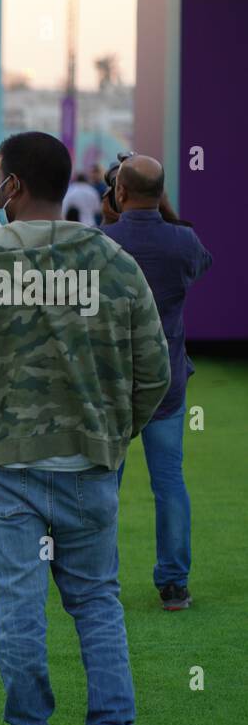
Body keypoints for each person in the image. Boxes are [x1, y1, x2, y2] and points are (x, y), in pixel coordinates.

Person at [0, 131, 171, 725]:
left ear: (13, 186)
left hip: (6, 470)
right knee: (97, 604)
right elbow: (156, 372)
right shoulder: (114, 262)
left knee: (19, 609)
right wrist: (115, 435)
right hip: (90, 464)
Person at [103, 155, 212, 611]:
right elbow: (200, 264)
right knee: (169, 483)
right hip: (166, 381)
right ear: (162, 192)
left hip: (114, 384)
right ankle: (174, 585)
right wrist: (163, 210)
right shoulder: (183, 242)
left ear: (120, 193)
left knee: (104, 488)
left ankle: (99, 581)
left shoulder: (102, 242)